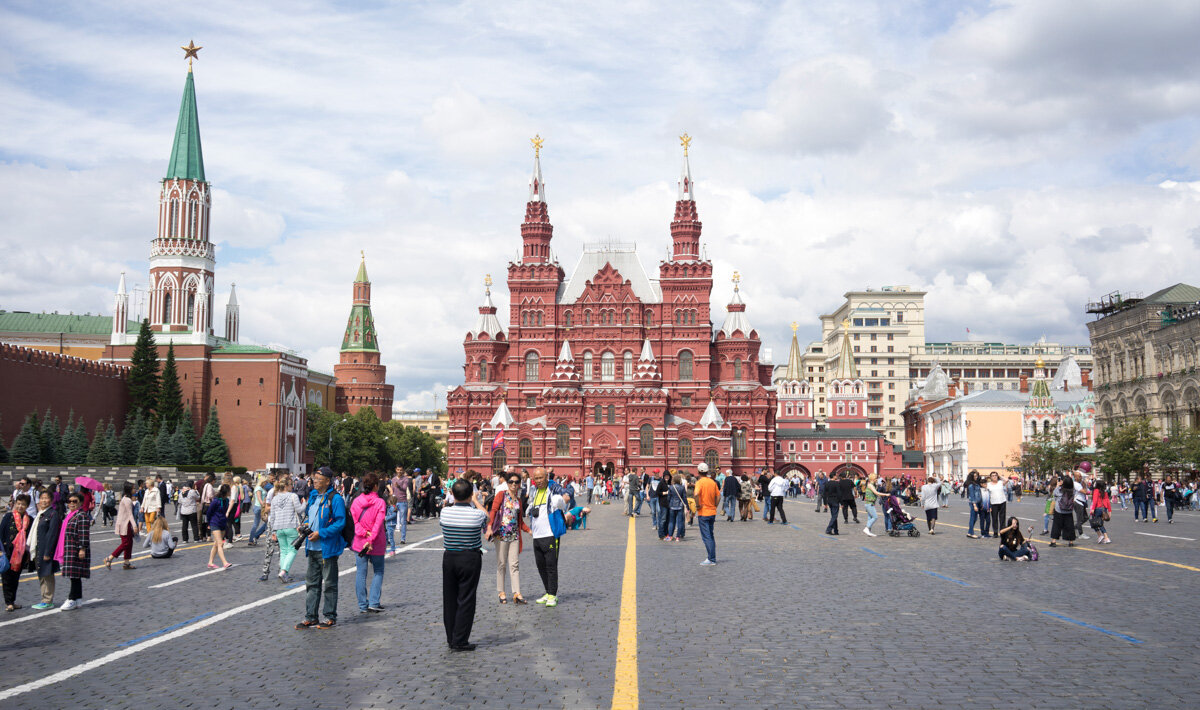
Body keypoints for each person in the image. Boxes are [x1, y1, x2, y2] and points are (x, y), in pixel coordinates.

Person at [296, 467, 347, 630]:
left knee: (330, 584)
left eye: (318, 479)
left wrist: (321, 533)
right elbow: (310, 518)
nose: (315, 481)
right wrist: (304, 526)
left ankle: (330, 616)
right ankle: (310, 617)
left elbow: (340, 522)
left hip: (327, 548)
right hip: (311, 547)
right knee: (311, 583)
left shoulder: (335, 498)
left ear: (327, 481)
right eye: (314, 479)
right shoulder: (312, 497)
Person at [442, 479, 489, 651]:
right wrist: (476, 501)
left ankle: (451, 637)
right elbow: (487, 517)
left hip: (449, 558)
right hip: (470, 557)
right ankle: (460, 640)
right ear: (470, 495)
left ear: (452, 495)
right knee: (466, 598)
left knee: (450, 598)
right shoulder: (477, 514)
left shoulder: (444, 513)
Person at [526, 467, 566, 607]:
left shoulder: (552, 488)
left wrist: (562, 499)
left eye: (541, 478)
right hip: (537, 535)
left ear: (546, 477)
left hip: (550, 534)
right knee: (540, 565)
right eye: (536, 478)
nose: (538, 481)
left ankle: (553, 595)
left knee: (551, 565)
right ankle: (548, 591)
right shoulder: (535, 491)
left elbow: (567, 493)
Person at [487, 472, 528, 604]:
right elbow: (493, 511)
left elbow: (520, 520)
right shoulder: (501, 495)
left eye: (516, 482)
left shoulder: (519, 500)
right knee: (502, 564)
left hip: (514, 535)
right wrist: (489, 527)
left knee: (514, 564)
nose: (514, 484)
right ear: (507, 483)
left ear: (519, 484)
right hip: (501, 535)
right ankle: (501, 592)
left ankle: (517, 593)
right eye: (511, 482)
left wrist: (529, 530)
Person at [350, 472, 387, 614]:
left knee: (361, 573)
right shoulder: (380, 502)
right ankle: (374, 602)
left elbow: (355, 522)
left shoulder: (356, 501)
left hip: (360, 542)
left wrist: (364, 534)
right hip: (376, 542)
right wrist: (370, 539)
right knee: (378, 571)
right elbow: (378, 525)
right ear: (376, 486)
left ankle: (362, 605)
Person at [263, 475, 303, 583]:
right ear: (286, 486)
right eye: (291, 485)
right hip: (291, 527)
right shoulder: (293, 496)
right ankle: (284, 571)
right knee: (293, 550)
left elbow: (273, 516)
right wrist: (306, 503)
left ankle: (283, 572)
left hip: (279, 528)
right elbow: (299, 510)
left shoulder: (275, 498)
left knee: (284, 551)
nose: (292, 487)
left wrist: (273, 531)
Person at [27, 490, 62, 609]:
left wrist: (48, 552)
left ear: (51, 500)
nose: (43, 500)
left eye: (46, 498)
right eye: (41, 498)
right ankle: (44, 598)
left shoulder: (53, 514)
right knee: (41, 574)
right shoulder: (40, 514)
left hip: (46, 550)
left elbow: (52, 534)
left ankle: (48, 600)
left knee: (47, 575)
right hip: (38, 548)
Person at [1, 494, 32, 611]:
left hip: (21, 553)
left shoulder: (29, 519)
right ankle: (8, 602)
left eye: (23, 504)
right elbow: (1, 533)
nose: (20, 506)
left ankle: (12, 601)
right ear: (15, 504)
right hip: (7, 552)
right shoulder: (8, 517)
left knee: (15, 578)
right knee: (6, 577)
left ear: (27, 506)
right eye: (18, 503)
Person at [59, 494, 90, 610]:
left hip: (76, 549)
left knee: (74, 575)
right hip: (70, 548)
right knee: (75, 576)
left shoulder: (81, 516)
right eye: (69, 501)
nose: (71, 503)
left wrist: (82, 548)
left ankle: (72, 598)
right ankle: (77, 598)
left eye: (74, 501)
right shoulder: (71, 515)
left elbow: (83, 534)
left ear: (81, 503)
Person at [105, 482, 137, 570]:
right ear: (129, 490)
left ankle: (126, 563)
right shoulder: (127, 500)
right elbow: (130, 514)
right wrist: (135, 526)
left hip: (125, 523)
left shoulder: (126, 498)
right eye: (134, 488)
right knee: (126, 543)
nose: (135, 490)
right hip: (125, 524)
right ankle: (110, 558)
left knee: (129, 543)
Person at [694, 463, 720, 565]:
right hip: (712, 512)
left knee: (707, 536)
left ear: (698, 472)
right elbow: (718, 497)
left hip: (703, 512)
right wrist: (715, 506)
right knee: (711, 535)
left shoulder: (699, 482)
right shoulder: (712, 482)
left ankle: (711, 559)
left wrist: (697, 505)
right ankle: (712, 557)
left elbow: (696, 494)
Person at [206, 484, 232, 569]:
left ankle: (210, 562)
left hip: (222, 523)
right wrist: (209, 523)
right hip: (215, 523)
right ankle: (225, 562)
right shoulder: (216, 501)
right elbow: (209, 512)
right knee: (220, 543)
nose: (230, 492)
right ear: (226, 492)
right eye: (229, 490)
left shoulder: (226, 500)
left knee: (216, 544)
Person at [1049, 475, 1078, 548]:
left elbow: (1054, 495)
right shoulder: (1073, 490)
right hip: (1069, 510)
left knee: (1056, 526)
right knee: (1070, 526)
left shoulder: (1059, 489)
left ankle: (1053, 541)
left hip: (1059, 510)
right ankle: (1071, 541)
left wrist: (1058, 485)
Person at [391, 467, 411, 545]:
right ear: (396, 470)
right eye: (398, 470)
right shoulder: (393, 479)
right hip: (395, 501)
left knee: (403, 521)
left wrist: (398, 486)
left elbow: (404, 488)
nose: (399, 471)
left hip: (403, 501)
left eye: (401, 470)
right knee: (392, 520)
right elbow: (392, 490)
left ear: (403, 470)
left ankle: (403, 538)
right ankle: (390, 538)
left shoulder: (405, 479)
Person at [664, 473, 687, 541]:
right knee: (679, 522)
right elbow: (684, 498)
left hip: (672, 506)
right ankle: (677, 537)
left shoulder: (671, 487)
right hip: (680, 506)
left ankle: (670, 536)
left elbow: (668, 497)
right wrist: (687, 507)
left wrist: (668, 504)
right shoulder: (682, 487)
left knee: (671, 522)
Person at [248, 475, 269, 546]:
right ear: (262, 481)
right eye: (265, 482)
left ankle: (253, 538)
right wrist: (264, 506)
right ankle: (253, 538)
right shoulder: (258, 488)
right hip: (259, 507)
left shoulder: (261, 488)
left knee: (265, 523)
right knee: (258, 524)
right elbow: (259, 499)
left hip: (260, 507)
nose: (266, 483)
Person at [986, 472, 1007, 537]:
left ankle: (1002, 532)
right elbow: (987, 495)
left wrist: (1000, 476)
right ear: (990, 477)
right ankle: (995, 532)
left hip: (1002, 502)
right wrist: (988, 505)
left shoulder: (1000, 482)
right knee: (994, 518)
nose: (994, 477)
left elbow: (1006, 480)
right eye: (993, 476)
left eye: (995, 475)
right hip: (993, 503)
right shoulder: (988, 484)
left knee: (1002, 518)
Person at [863, 473, 884, 537]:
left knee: (870, 518)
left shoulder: (873, 484)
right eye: (876, 478)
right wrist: (886, 494)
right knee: (875, 517)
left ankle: (868, 531)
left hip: (870, 503)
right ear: (873, 479)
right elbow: (876, 492)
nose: (877, 479)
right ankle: (866, 528)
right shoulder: (870, 485)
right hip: (869, 503)